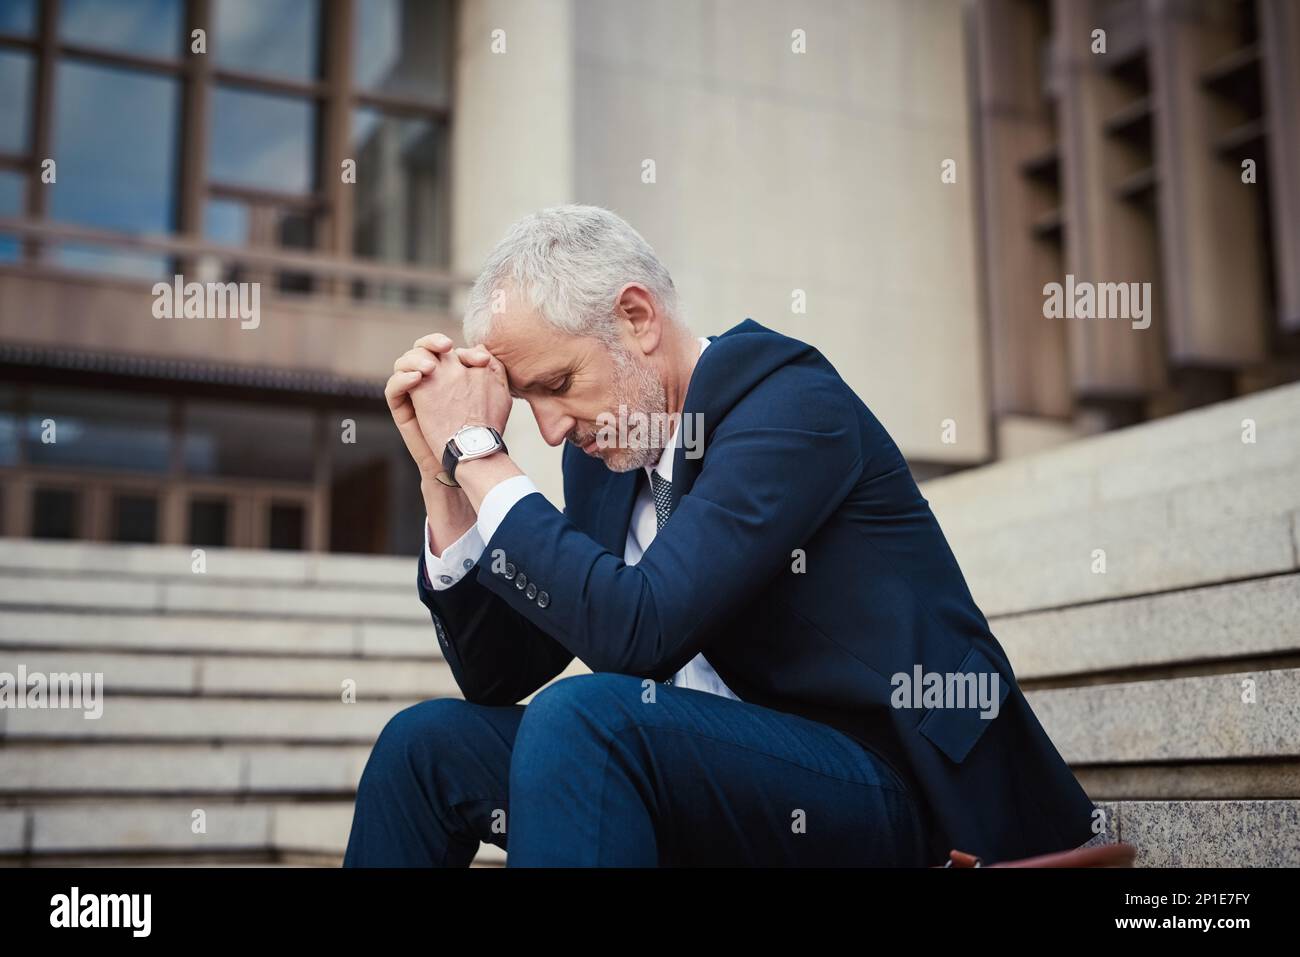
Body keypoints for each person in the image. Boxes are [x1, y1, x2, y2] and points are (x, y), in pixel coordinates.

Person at [342, 204, 1097, 867]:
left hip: (892, 785)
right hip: (711, 776)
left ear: (636, 318)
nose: (549, 428)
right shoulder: (603, 462)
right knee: (423, 746)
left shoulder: (789, 406)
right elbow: (498, 676)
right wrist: (445, 481)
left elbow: (640, 629)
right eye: (526, 398)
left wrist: (480, 452)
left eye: (559, 384)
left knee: (586, 717)